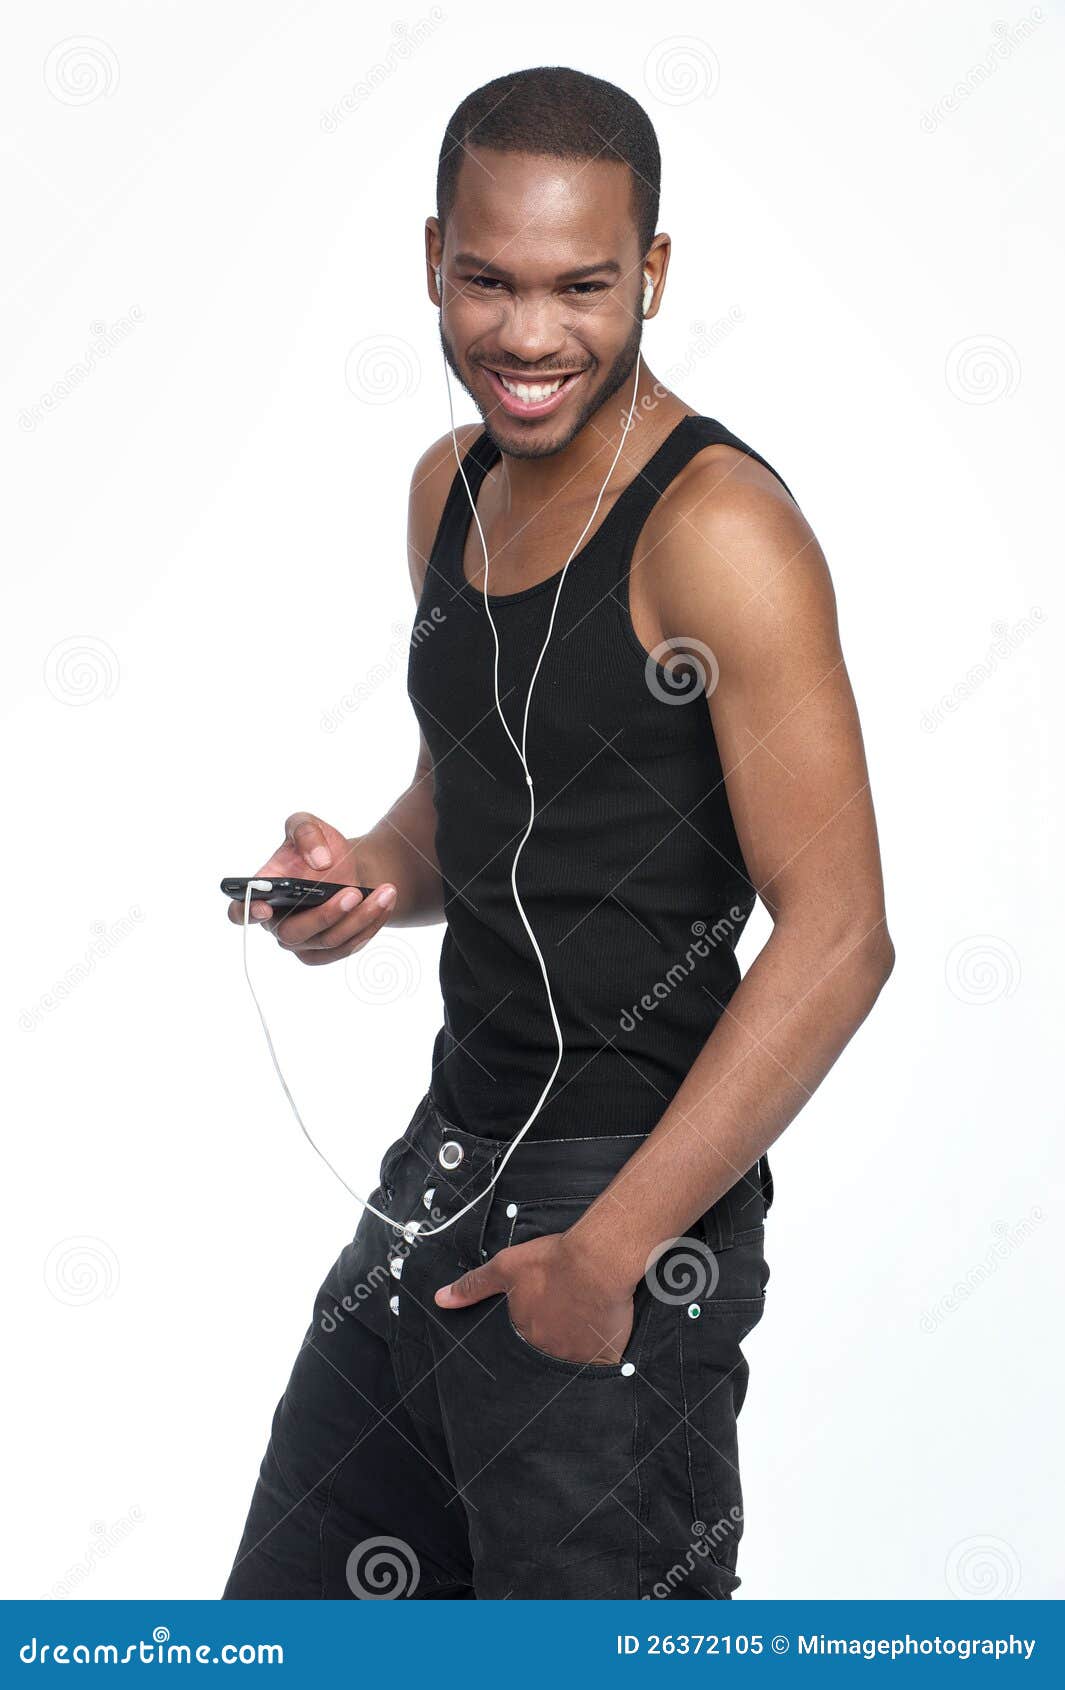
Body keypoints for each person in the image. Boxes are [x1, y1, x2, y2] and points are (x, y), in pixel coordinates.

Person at [222, 65, 894, 1601]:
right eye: (488, 281)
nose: (527, 335)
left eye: (582, 285)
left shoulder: (717, 532)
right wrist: (370, 874)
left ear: (650, 274)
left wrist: (612, 1250)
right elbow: (475, 810)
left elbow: (842, 931)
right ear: (433, 261)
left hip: (620, 1205)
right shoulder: (444, 495)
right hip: (439, 1175)